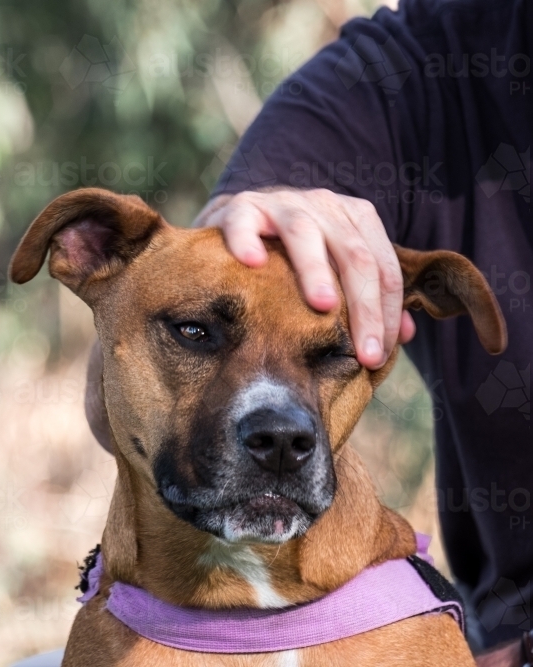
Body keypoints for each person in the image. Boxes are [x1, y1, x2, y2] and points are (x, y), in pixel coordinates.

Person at [87, 0, 531, 664]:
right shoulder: (409, 74)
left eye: (329, 352)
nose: (279, 422)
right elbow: (109, 392)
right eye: (195, 331)